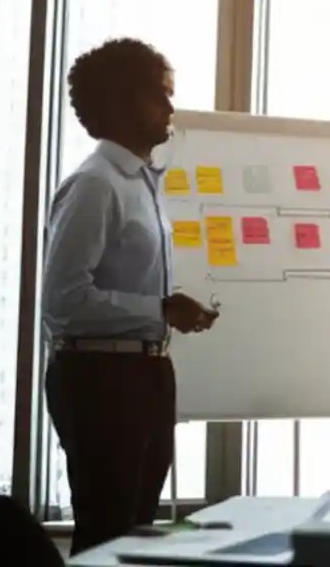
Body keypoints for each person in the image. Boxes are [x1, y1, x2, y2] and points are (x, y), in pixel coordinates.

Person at [42, 38, 219, 555]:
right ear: (123, 103)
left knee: (138, 537)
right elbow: (63, 301)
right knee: (107, 538)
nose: (170, 109)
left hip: (146, 373)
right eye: (160, 96)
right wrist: (159, 309)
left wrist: (165, 312)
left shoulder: (142, 182)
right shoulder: (95, 185)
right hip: (100, 380)